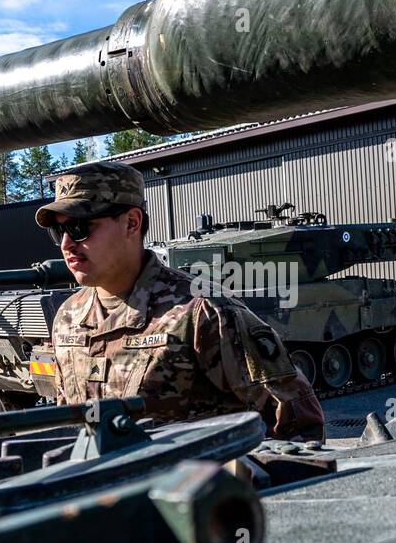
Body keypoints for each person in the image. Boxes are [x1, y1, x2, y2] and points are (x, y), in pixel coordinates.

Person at [36, 160, 324, 440]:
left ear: (131, 223)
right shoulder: (68, 318)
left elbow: (300, 428)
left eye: (79, 228)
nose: (66, 245)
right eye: (58, 231)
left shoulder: (204, 312)